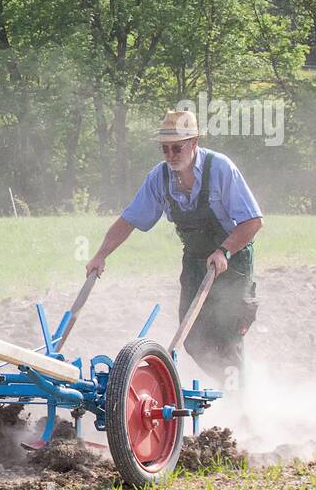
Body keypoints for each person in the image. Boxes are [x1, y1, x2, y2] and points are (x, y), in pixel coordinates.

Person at [85, 109, 264, 382]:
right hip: (195, 261)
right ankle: (231, 382)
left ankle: (242, 400)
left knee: (228, 336)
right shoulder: (160, 178)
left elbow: (253, 221)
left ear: (193, 144)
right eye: (165, 149)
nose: (171, 155)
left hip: (233, 261)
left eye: (177, 148)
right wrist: (100, 255)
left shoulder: (221, 169)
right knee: (192, 339)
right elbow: (129, 219)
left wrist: (224, 251)